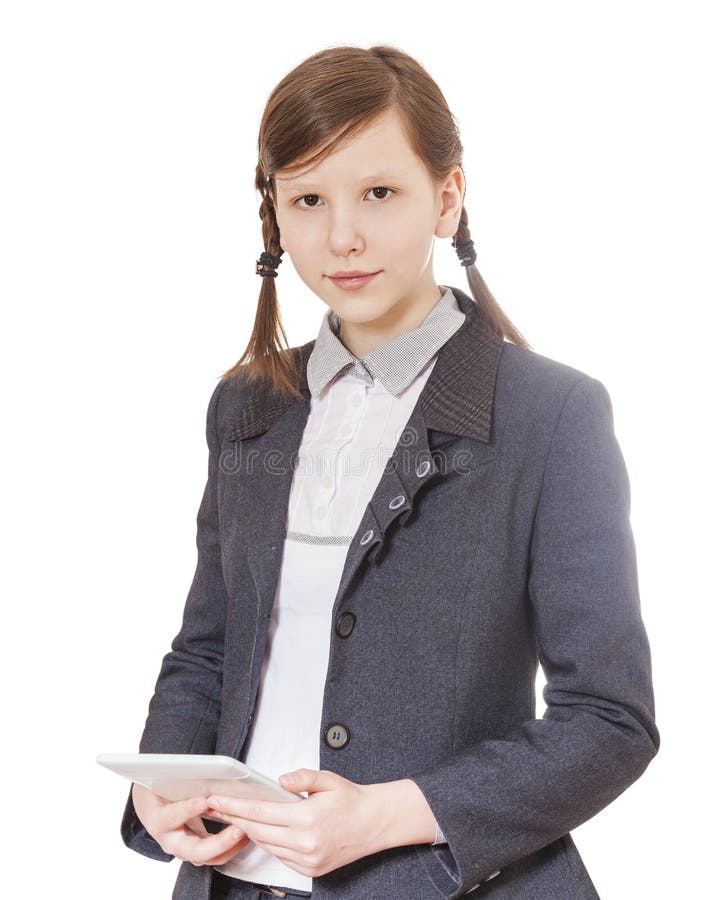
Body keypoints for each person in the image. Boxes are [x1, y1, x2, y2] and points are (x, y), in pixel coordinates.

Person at [120, 44, 659, 900]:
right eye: (308, 199)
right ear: (274, 215)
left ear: (447, 198)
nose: (342, 237)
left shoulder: (552, 414)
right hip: (232, 879)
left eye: (379, 192)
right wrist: (163, 782)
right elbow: (208, 649)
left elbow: (609, 720)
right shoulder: (247, 405)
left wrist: (390, 814)